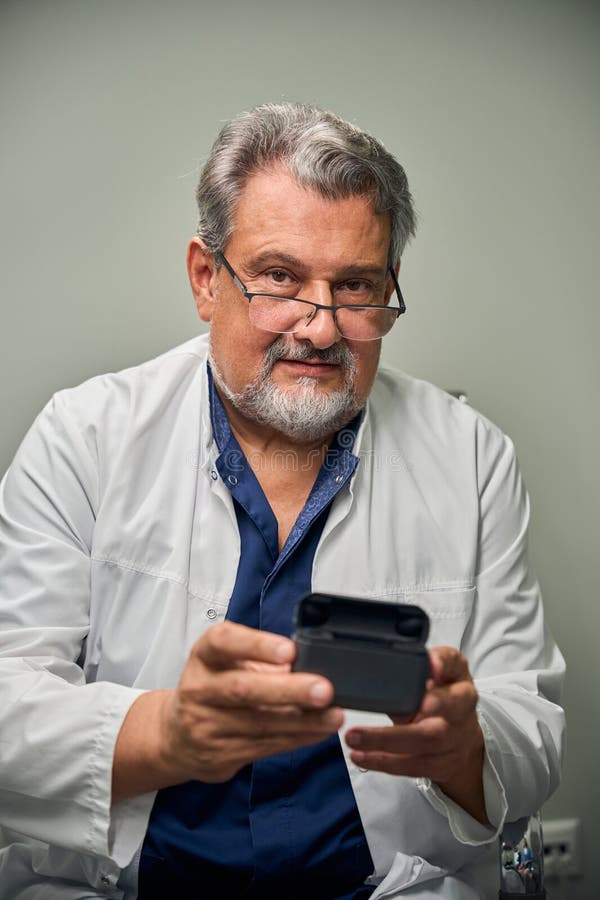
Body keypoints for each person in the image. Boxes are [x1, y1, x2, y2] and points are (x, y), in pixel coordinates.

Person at [0, 103, 565, 900]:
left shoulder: (473, 457)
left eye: (356, 286)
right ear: (207, 278)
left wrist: (465, 748)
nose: (321, 329)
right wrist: (167, 732)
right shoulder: (84, 437)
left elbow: (533, 728)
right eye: (279, 278)